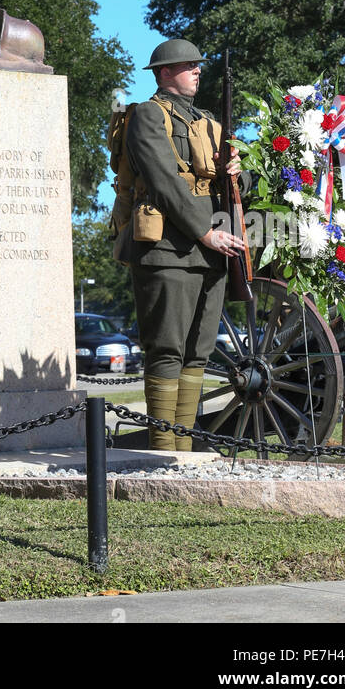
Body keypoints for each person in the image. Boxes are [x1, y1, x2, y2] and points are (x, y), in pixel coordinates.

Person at [114, 39, 247, 452]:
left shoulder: (208, 120)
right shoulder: (148, 117)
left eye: (197, 66)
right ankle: (161, 451)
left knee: (197, 353)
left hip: (211, 249)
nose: (197, 71)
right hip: (167, 248)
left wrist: (236, 173)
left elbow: (228, 187)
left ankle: (184, 451)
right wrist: (204, 231)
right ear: (164, 73)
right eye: (189, 65)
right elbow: (163, 182)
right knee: (168, 350)